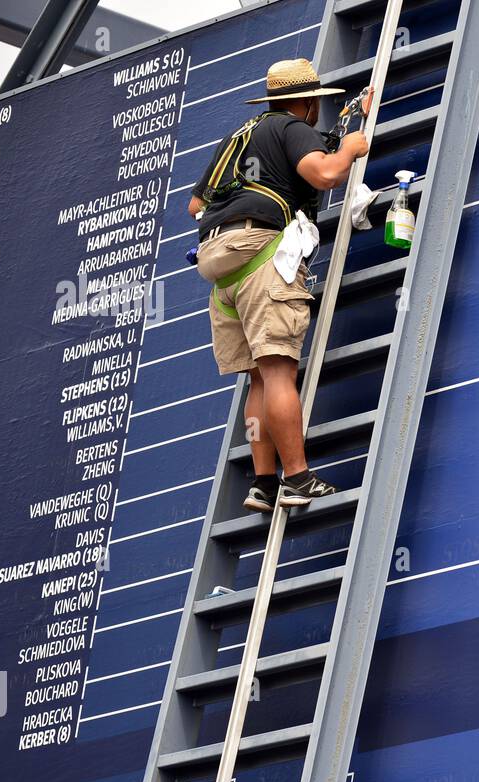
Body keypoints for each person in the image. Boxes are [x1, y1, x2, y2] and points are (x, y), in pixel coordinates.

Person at [188, 58, 371, 512]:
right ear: (307, 102)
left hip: (219, 266)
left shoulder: (240, 136)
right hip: (262, 253)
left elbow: (194, 205)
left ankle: (264, 484)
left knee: (257, 379)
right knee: (278, 372)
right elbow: (325, 175)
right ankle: (299, 479)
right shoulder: (292, 127)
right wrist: (349, 147)